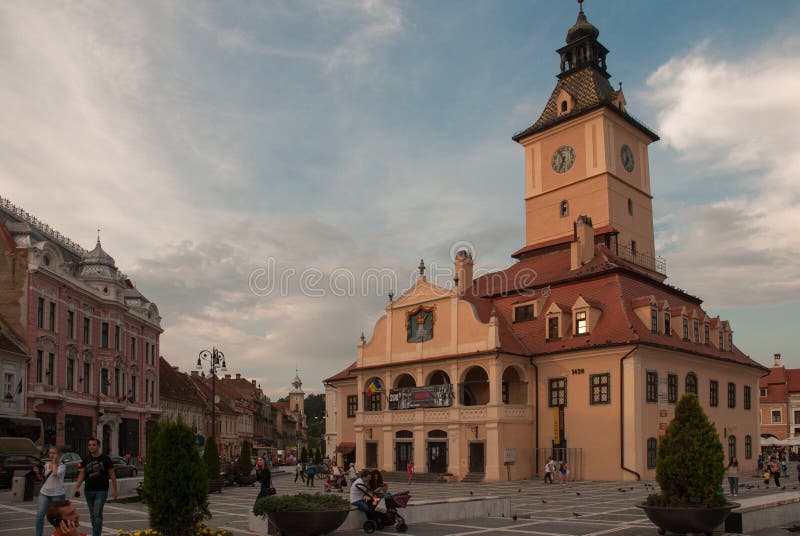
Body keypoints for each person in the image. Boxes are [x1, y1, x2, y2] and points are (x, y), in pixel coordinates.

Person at [73, 437, 117, 536]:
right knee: (93, 515)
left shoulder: (105, 459)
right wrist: (77, 487)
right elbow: (82, 474)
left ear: (98, 446)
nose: (91, 447)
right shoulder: (86, 459)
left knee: (97, 514)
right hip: (88, 490)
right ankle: (96, 533)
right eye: (89, 445)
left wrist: (115, 489)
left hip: (101, 490)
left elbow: (112, 474)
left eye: (93, 445)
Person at [35, 446, 67, 536]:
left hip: (58, 494)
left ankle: (60, 534)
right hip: (44, 493)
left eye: (54, 453)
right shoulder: (46, 465)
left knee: (58, 518)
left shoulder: (62, 466)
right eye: (50, 453)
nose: (52, 455)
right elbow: (43, 480)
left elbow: (55, 473)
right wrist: (37, 473)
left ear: (59, 454)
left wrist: (54, 462)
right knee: (40, 516)